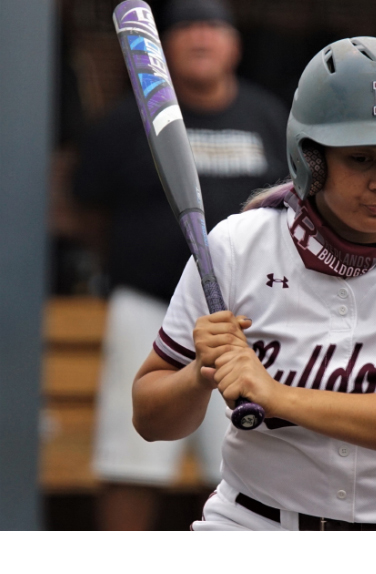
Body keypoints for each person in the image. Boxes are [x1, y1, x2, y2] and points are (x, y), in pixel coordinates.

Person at [129, 36, 376, 530]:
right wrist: (200, 374)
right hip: (253, 526)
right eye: (361, 158)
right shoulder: (238, 245)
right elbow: (150, 420)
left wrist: (274, 394)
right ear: (311, 158)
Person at [72, 0, 285, 529]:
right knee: (132, 464)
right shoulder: (124, 123)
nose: (200, 38)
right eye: (186, 27)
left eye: (212, 27)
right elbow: (88, 209)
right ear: (162, 48)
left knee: (234, 467)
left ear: (235, 45)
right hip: (148, 304)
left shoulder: (266, 117)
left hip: (238, 317)